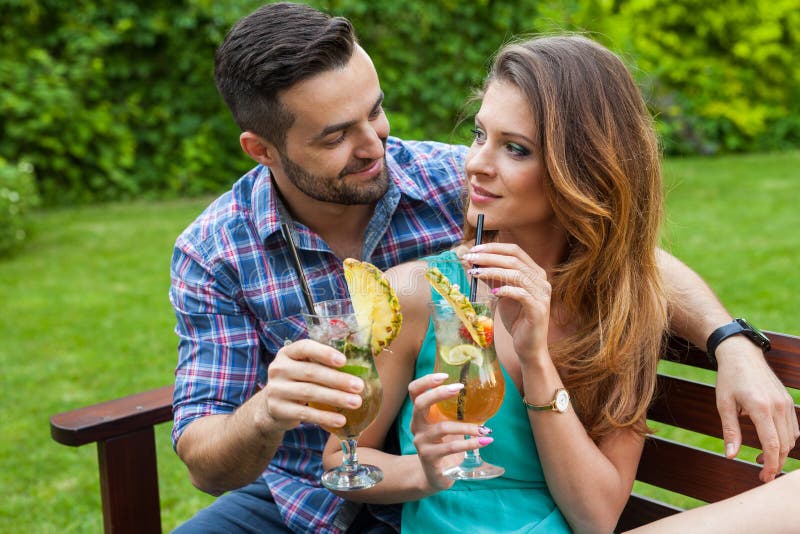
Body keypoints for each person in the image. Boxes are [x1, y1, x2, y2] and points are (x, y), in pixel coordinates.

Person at [169, 3, 798, 532]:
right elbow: (214, 453)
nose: (375, 145)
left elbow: (623, 255)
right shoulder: (217, 251)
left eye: (376, 110)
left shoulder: (456, 182)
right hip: (303, 498)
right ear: (262, 149)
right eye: (336, 136)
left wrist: (729, 339)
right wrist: (270, 411)